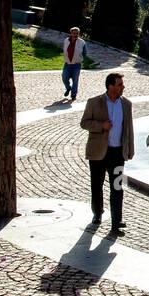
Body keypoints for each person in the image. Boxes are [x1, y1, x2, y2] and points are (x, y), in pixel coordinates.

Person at [81, 72, 133, 235]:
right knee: (96, 185)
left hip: (118, 153)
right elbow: (84, 123)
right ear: (110, 86)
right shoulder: (94, 102)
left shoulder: (126, 104)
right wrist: (101, 126)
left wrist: (129, 149)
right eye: (119, 84)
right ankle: (97, 213)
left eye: (122, 84)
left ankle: (116, 222)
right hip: (98, 153)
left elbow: (129, 129)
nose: (123, 87)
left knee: (118, 186)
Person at [61, 27, 87, 102]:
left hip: (77, 64)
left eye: (77, 33)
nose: (75, 34)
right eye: (74, 33)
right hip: (67, 64)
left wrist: (82, 59)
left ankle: (73, 94)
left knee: (75, 80)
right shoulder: (66, 40)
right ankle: (68, 88)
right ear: (71, 33)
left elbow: (85, 53)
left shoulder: (82, 42)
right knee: (64, 77)